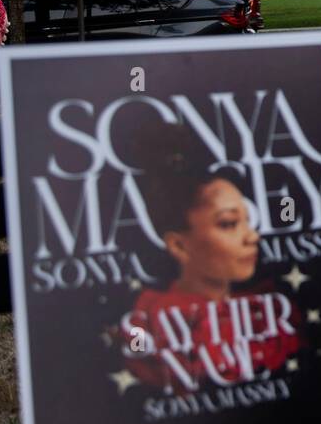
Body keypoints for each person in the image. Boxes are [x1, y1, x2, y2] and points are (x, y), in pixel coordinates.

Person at [119, 142, 304, 394]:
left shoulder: (270, 310)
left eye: (247, 221)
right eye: (228, 224)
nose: (252, 237)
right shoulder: (147, 323)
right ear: (178, 245)